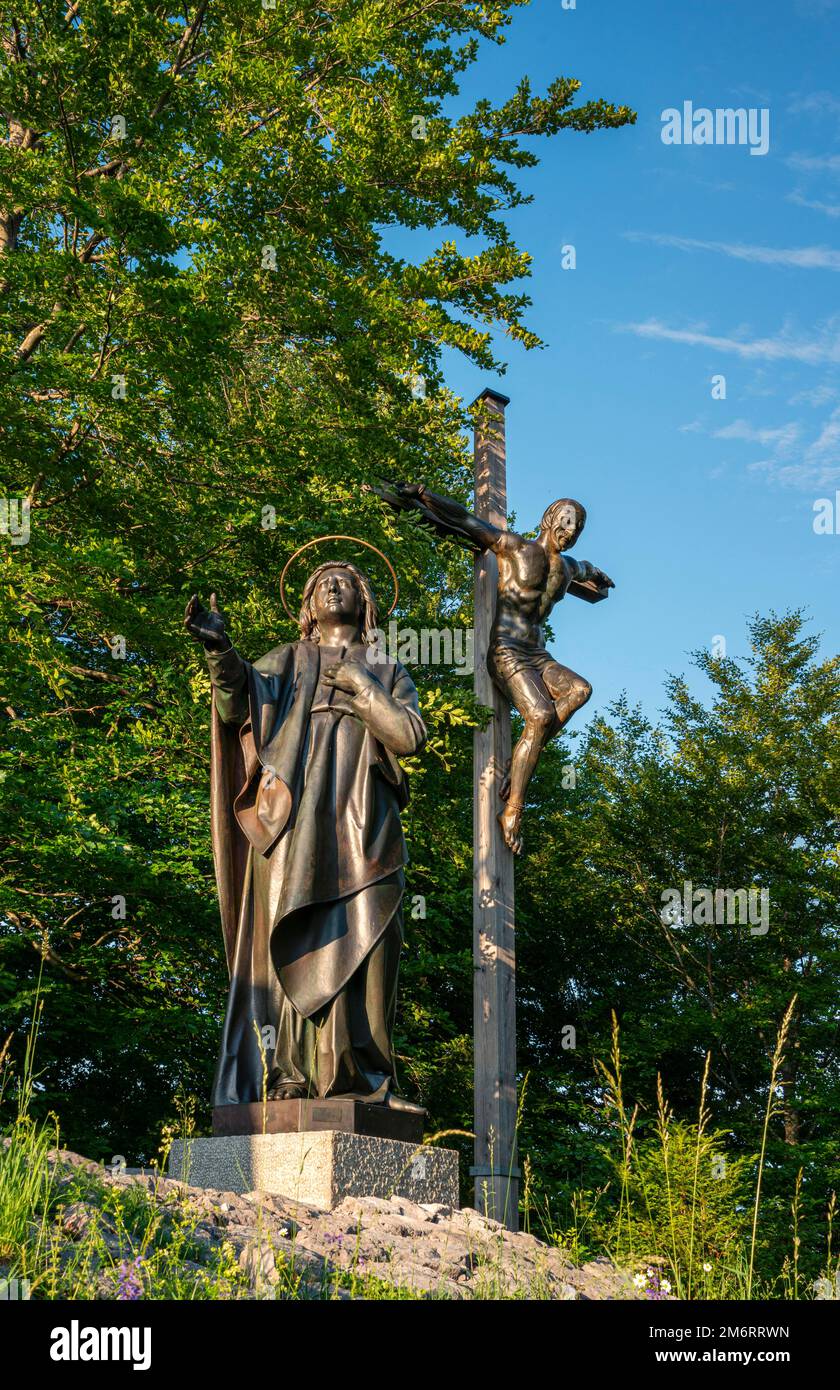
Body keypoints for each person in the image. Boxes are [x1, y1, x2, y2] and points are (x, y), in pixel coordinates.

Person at [184, 561, 426, 1109]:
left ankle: (363, 1079)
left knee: (372, 938)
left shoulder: (385, 666)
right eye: (321, 584)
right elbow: (238, 703)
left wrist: (363, 687)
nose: (333, 587)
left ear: (364, 600)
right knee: (293, 929)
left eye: (345, 582)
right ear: (309, 605)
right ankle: (288, 1073)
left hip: (365, 819)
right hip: (294, 816)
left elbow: (410, 736)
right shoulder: (288, 659)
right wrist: (220, 649)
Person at [388, 485, 613, 854]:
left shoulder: (569, 568)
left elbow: (588, 569)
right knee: (540, 716)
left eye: (578, 527)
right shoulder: (514, 547)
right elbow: (464, 519)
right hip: (507, 650)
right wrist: (423, 494)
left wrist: (599, 575)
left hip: (538, 654)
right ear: (550, 518)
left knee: (580, 690)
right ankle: (512, 811)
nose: (572, 530)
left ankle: (523, 754)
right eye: (567, 520)